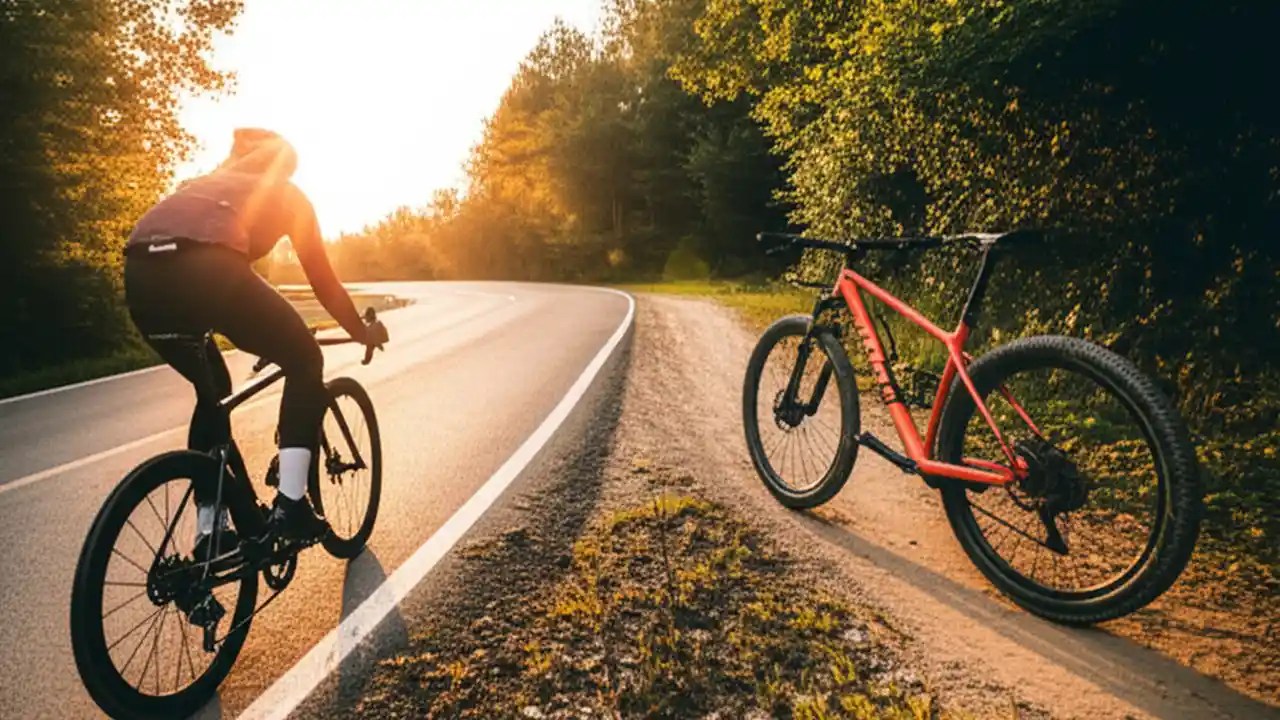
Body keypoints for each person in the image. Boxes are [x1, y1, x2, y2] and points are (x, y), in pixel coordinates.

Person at [123, 128, 384, 554]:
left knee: (213, 397)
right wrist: (362, 331)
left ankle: (213, 531)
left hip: (140, 276)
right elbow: (324, 283)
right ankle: (292, 507)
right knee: (303, 359)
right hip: (209, 270)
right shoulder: (288, 195)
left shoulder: (200, 185)